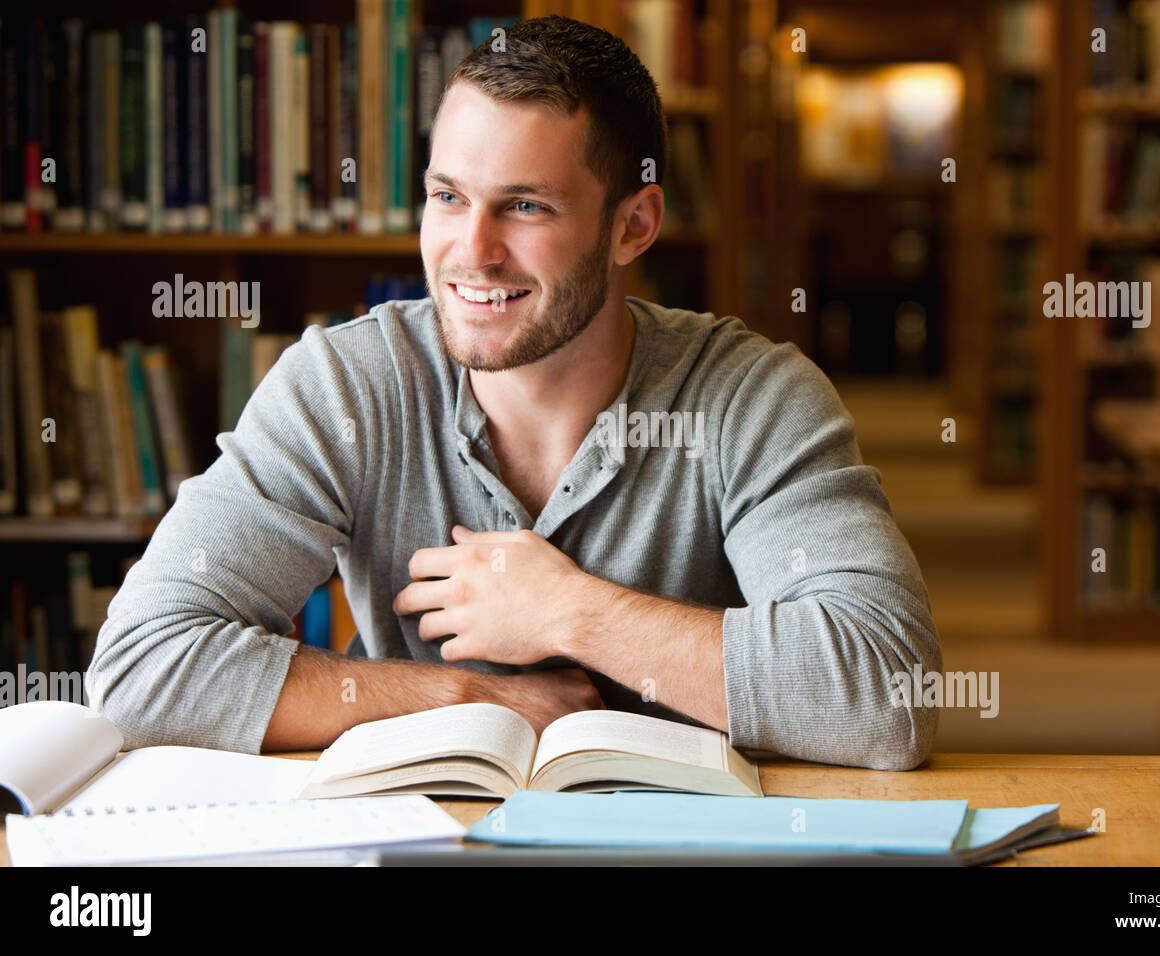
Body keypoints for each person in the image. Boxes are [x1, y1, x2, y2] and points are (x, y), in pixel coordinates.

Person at [86, 15, 941, 770]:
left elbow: (889, 693)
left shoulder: (752, 397)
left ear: (634, 225)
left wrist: (570, 611)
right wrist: (469, 699)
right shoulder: (345, 386)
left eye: (525, 206)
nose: (472, 251)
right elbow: (141, 669)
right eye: (447, 197)